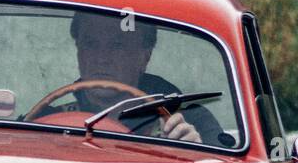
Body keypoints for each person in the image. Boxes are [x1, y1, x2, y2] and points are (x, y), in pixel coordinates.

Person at [69, 11, 223, 145]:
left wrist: (193, 152)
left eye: (117, 45)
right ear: (78, 51)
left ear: (145, 57)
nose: (101, 58)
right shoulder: (50, 117)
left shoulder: (190, 120)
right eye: (90, 44)